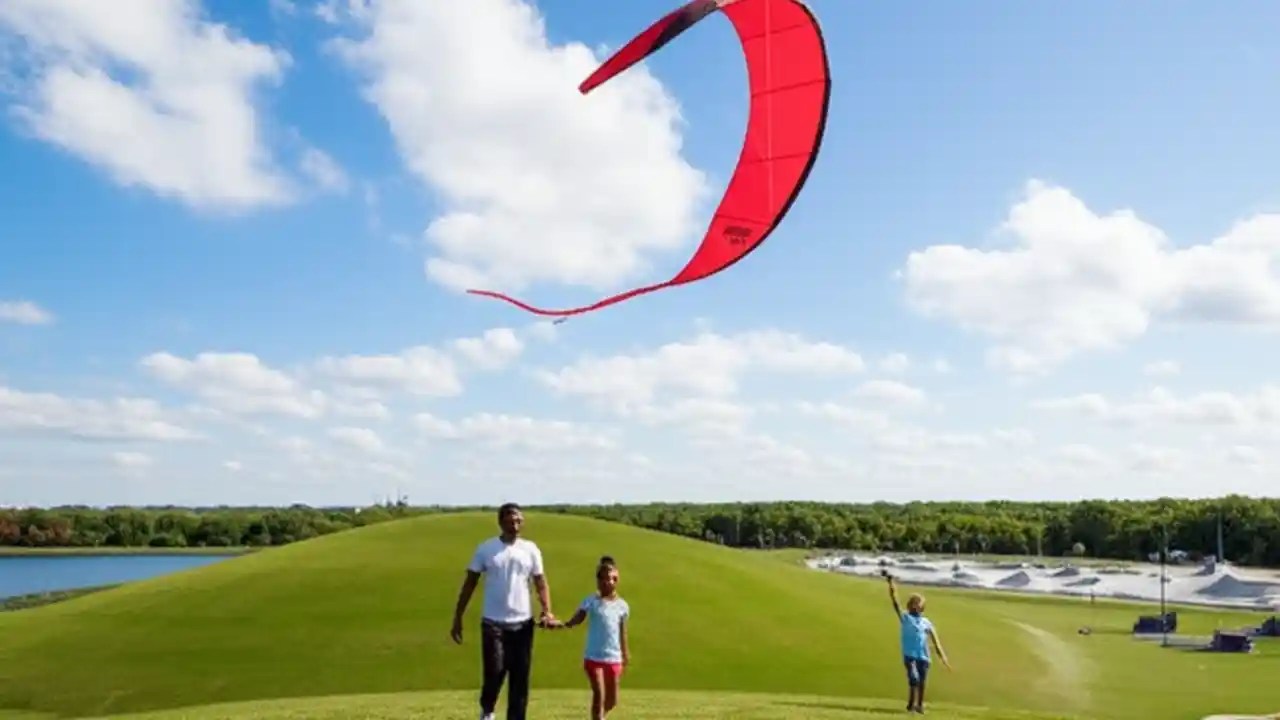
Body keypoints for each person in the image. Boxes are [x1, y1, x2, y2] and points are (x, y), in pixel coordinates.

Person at [452, 503, 555, 720]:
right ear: (500, 523)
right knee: (494, 672)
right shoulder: (486, 549)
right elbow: (470, 583)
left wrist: (547, 610)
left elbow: (540, 583)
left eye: (518, 521)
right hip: (493, 623)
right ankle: (487, 709)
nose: (514, 525)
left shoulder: (531, 550)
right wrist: (458, 617)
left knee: (520, 678)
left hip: (523, 623)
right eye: (510, 521)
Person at [545, 555, 630, 720]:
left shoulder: (622, 606)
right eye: (602, 579)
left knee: (612, 701)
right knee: (599, 695)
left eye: (610, 579)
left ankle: (599, 717)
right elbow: (576, 620)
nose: (606, 582)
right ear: (597, 581)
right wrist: (560, 624)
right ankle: (597, 717)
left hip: (613, 657)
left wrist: (625, 653)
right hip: (593, 656)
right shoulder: (590, 601)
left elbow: (622, 630)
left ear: (616, 580)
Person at [887, 573, 950, 714]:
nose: (915, 606)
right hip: (910, 655)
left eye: (918, 604)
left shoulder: (926, 622)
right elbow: (895, 603)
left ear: (922, 607)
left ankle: (919, 706)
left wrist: (943, 657)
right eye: (913, 603)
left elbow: (935, 641)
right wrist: (891, 585)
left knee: (921, 683)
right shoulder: (905, 618)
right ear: (909, 606)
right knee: (914, 678)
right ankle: (911, 705)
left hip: (924, 657)